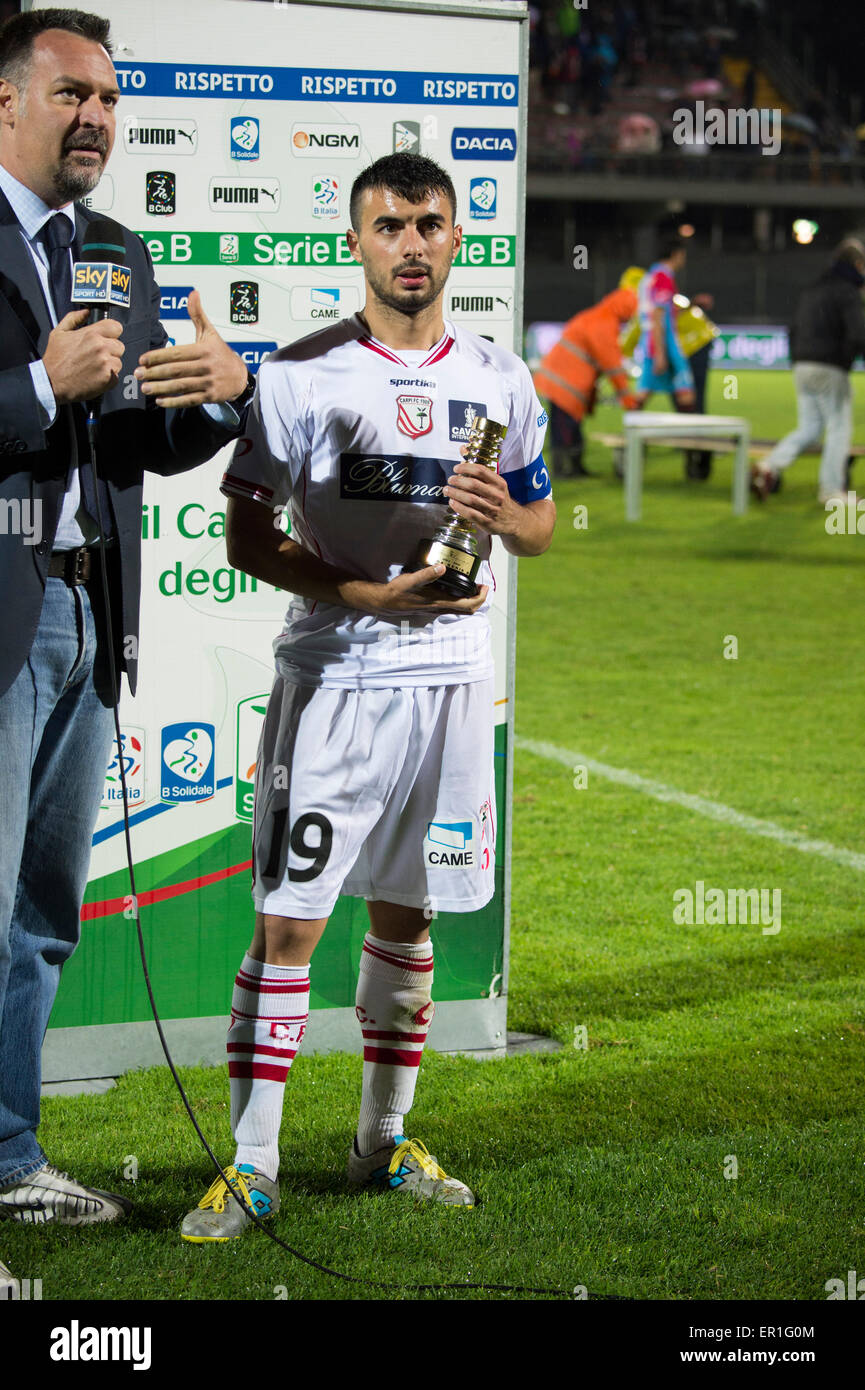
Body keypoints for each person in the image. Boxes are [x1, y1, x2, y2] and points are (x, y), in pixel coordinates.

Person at [180, 152, 555, 1241]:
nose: (410, 243)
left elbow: (538, 524)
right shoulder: (300, 375)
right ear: (356, 241)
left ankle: (381, 1141)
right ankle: (252, 1165)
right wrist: (368, 596)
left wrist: (504, 511)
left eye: (429, 224)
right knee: (288, 925)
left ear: (456, 239)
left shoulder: (500, 378)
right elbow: (247, 536)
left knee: (411, 916)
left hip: (452, 691)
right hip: (336, 683)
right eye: (388, 225)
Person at [0, 8, 253, 1289]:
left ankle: (6, 1154)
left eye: (109, 98)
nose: (95, 116)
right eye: (71, 94)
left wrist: (210, 392)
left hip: (94, 608)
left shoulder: (118, 250)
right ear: (6, 103)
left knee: (45, 910)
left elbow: (138, 444)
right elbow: (46, 407)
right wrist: (40, 386)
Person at [751, 239, 865, 504]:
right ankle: (831, 491)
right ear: (857, 265)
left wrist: (798, 358)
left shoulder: (812, 289)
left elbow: (793, 329)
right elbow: (858, 333)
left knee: (810, 428)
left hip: (802, 365)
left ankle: (769, 467)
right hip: (830, 366)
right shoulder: (847, 292)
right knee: (839, 427)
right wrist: (848, 357)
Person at [533, 283, 643, 476]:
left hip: (561, 380)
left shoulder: (598, 316)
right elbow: (613, 366)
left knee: (569, 426)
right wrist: (628, 400)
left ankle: (573, 467)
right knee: (565, 428)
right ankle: (564, 469)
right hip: (565, 383)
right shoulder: (604, 323)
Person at [636, 237, 696, 409]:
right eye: (682, 255)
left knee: (646, 390)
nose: (684, 259)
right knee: (686, 391)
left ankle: (631, 429)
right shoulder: (663, 277)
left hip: (654, 340)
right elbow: (657, 314)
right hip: (662, 342)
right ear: (676, 254)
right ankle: (690, 434)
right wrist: (661, 353)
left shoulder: (653, 275)